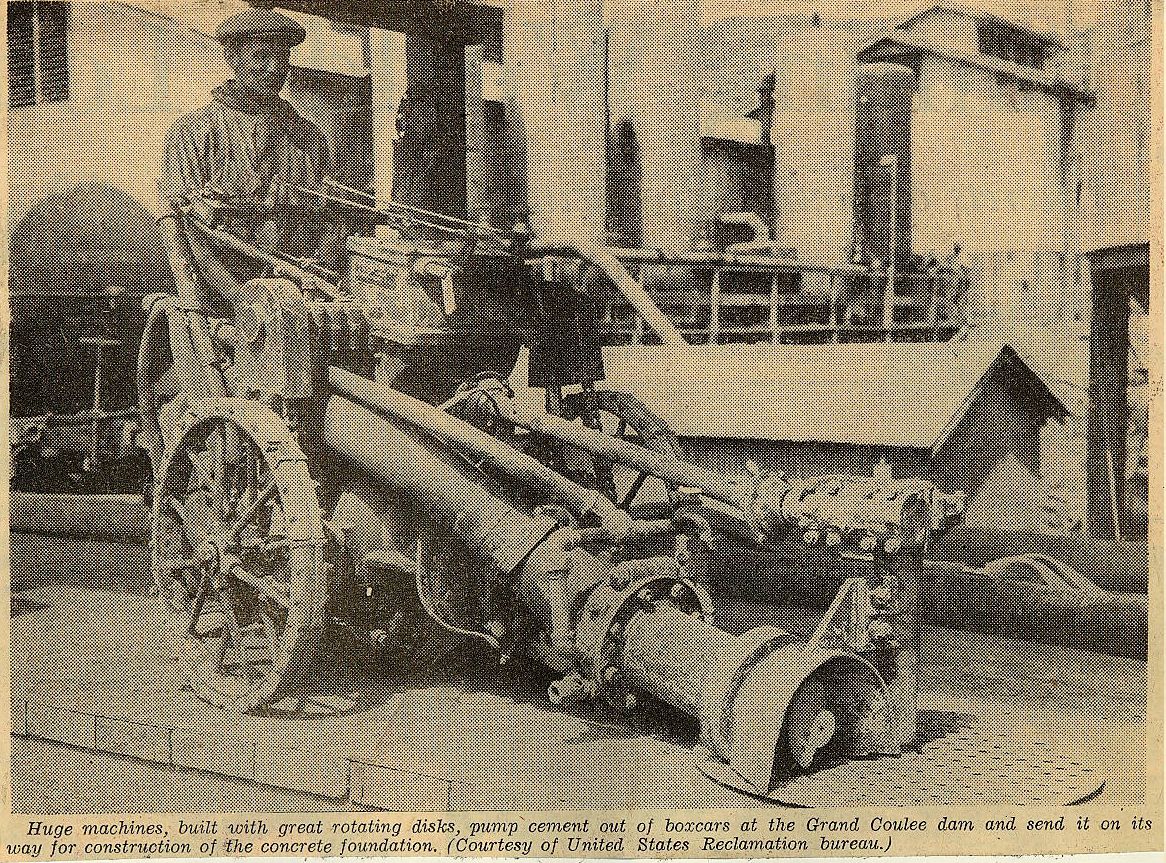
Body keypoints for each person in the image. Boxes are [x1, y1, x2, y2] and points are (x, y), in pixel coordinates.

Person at [159, 8, 345, 270]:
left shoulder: (310, 138)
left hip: (296, 293)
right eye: (261, 56)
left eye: (282, 57)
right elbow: (188, 231)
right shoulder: (192, 131)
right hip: (219, 292)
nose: (274, 69)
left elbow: (329, 224)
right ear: (232, 58)